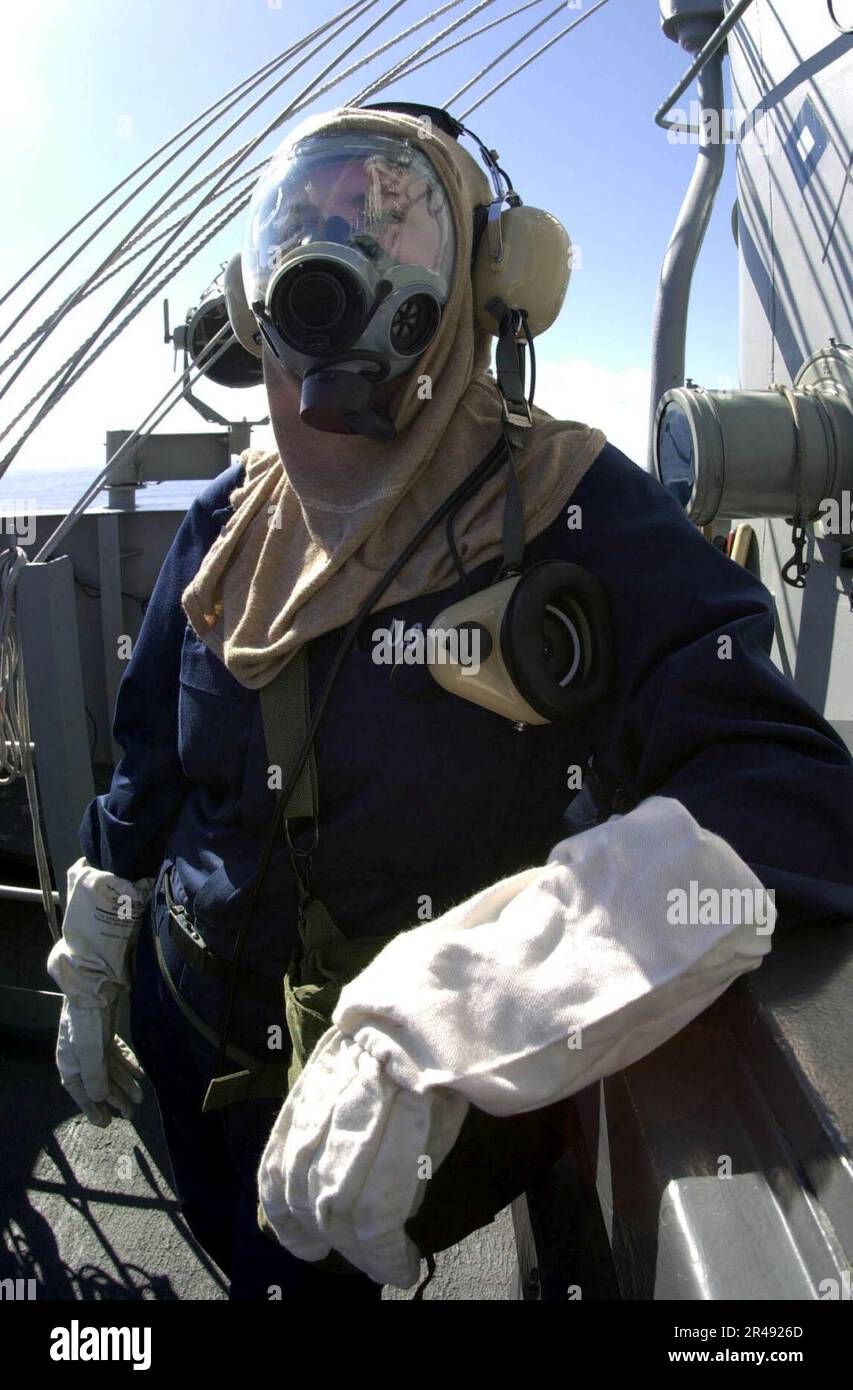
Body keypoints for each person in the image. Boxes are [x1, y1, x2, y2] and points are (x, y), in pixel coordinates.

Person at [47, 102, 853, 1300]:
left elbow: (787, 794)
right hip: (186, 1036)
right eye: (304, 225)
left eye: (387, 220)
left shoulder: (562, 500)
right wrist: (97, 945)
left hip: (380, 1117)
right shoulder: (230, 523)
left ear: (478, 282)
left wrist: (467, 1007)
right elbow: (149, 756)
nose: (334, 261)